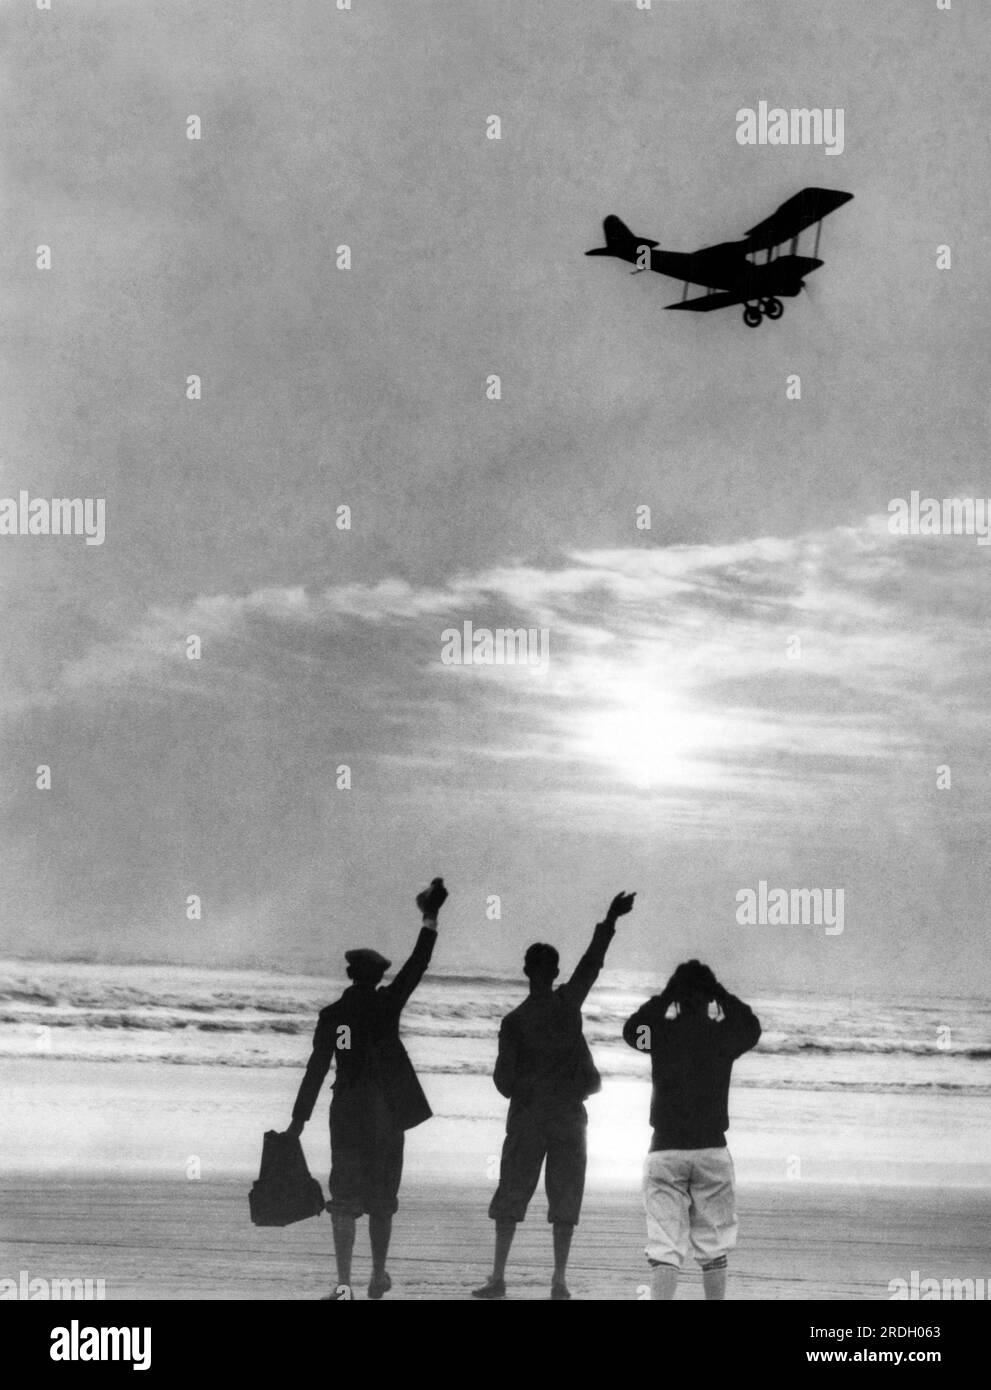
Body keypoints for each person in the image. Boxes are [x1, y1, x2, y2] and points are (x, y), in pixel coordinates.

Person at [287, 877, 448, 1300]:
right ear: (377, 977)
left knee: (343, 1200)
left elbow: (319, 1068)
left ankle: (344, 1285)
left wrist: (298, 1120)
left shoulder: (335, 1016)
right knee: (382, 1198)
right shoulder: (387, 1004)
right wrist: (430, 918)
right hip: (388, 1113)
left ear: (349, 974)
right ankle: (378, 1274)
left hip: (348, 1114)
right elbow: (417, 964)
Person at [472, 890, 636, 1300]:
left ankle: (498, 1278)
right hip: (568, 1117)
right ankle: (558, 1280)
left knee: (511, 1194)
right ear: (554, 971)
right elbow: (591, 965)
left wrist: (525, 1085)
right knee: (565, 1198)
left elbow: (503, 1082)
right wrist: (610, 919)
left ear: (527, 971)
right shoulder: (568, 1004)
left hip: (528, 1117)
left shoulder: (514, 1021)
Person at [622, 959, 761, 1301]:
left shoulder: (660, 1036)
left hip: (666, 1149)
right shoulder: (722, 1036)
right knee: (713, 1246)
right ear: (709, 999)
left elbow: (632, 1030)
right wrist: (721, 993)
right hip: (711, 1148)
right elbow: (751, 1028)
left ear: (678, 999)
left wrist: (665, 996)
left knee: (665, 1246)